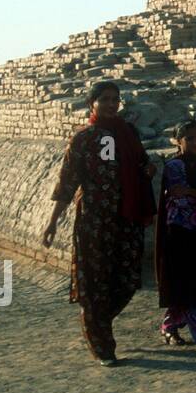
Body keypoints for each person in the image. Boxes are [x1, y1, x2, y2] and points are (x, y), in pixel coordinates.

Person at [43, 81, 156, 366]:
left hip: (126, 218)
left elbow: (142, 162)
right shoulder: (84, 139)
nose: (111, 104)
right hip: (94, 221)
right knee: (95, 284)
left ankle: (97, 322)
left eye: (115, 99)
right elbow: (68, 183)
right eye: (104, 99)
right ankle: (102, 345)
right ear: (91, 103)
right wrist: (53, 222)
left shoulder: (128, 133)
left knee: (128, 280)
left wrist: (148, 169)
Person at [155, 120, 196, 354]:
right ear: (178, 140)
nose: (195, 142)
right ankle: (174, 326)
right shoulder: (172, 166)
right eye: (189, 138)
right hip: (177, 230)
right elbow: (175, 195)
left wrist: (193, 192)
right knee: (179, 279)